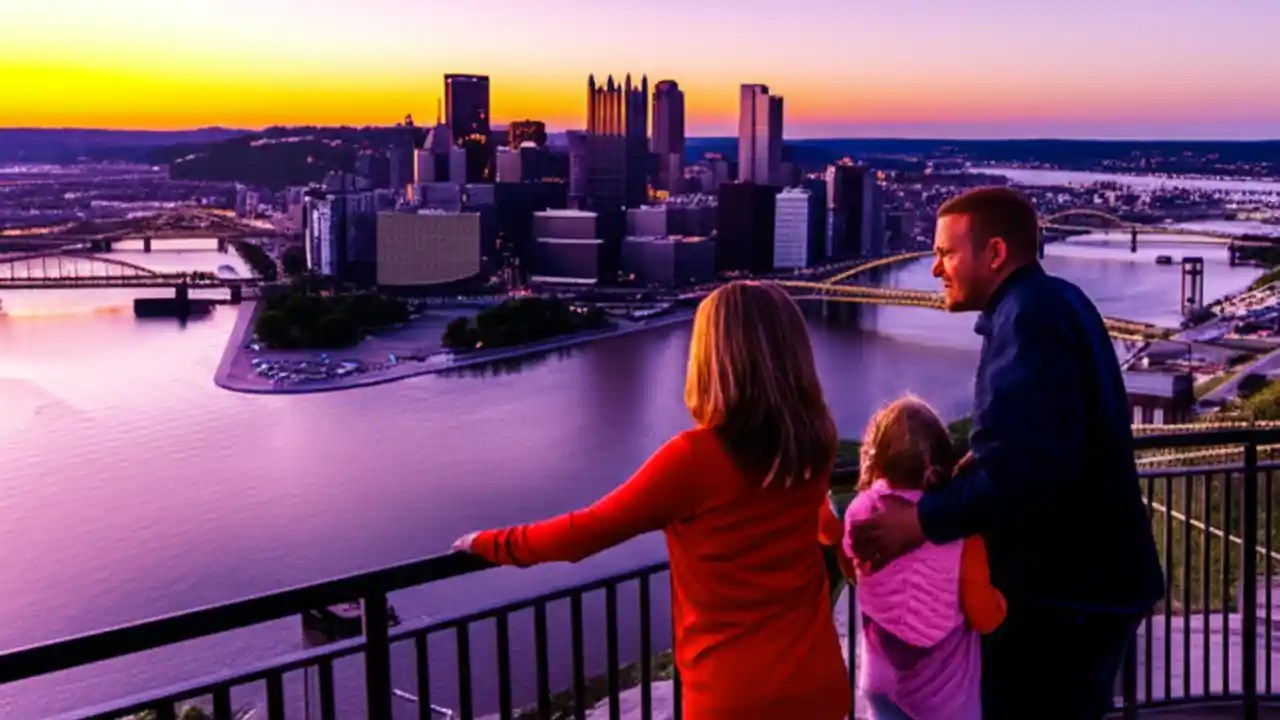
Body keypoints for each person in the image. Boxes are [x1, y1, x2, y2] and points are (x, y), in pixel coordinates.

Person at [454, 281, 850, 720]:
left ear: (712, 358)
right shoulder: (814, 442)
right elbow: (813, 517)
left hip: (733, 697)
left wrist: (489, 543)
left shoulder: (693, 459)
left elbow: (581, 534)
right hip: (818, 683)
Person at [849, 187, 1164, 719]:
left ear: (994, 254)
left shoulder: (1027, 319)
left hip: (1065, 600)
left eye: (946, 253)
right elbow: (1052, 448)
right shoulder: (1055, 301)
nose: (934, 269)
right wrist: (982, 460)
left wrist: (919, 521)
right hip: (1097, 586)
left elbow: (1023, 473)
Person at [843, 396, 1006, 720]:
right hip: (943, 699)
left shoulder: (861, 512)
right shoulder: (959, 529)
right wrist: (1002, 602)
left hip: (881, 681)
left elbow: (852, 569)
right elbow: (985, 617)